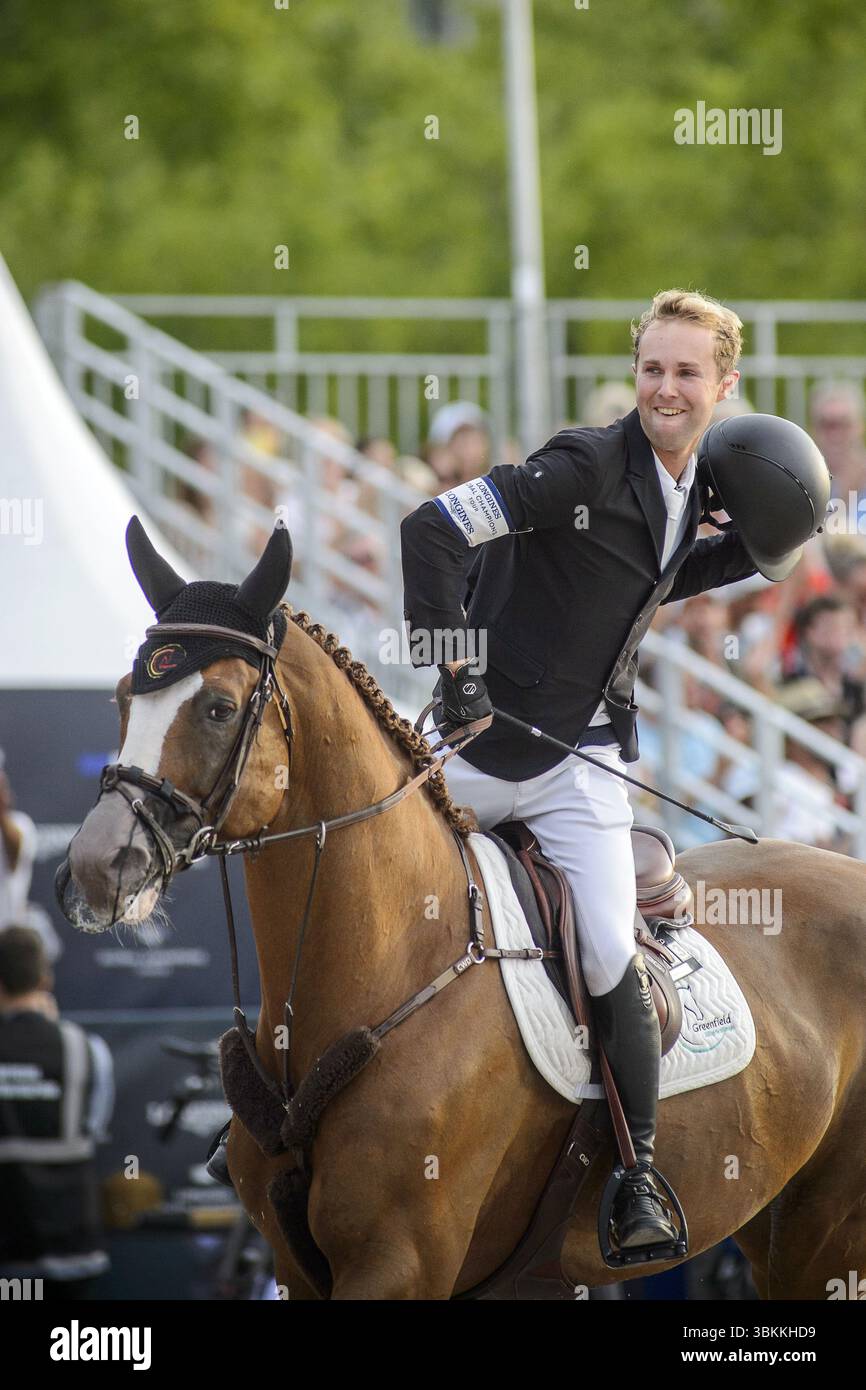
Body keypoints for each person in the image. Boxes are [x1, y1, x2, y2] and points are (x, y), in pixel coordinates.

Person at [401, 288, 824, 1260]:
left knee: (602, 949)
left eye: (684, 373)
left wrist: (762, 548)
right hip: (476, 743)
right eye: (651, 369)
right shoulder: (582, 462)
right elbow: (428, 527)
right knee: (367, 883)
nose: (663, 389)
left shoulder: (686, 492)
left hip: (577, 768)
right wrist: (453, 668)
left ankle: (636, 1179)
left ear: (722, 387)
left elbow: (649, 573)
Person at [0, 927, 114, 1298]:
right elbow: (96, 1127)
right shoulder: (86, 1048)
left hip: (9, 1260)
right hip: (74, 1252)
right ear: (45, 979)